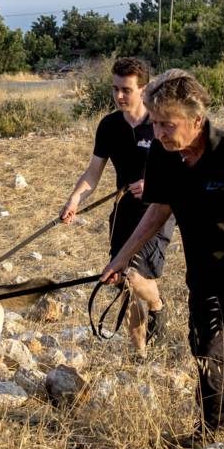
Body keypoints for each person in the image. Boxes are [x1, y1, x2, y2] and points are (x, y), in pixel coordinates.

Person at [99, 69, 224, 436]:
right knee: (202, 345)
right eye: (155, 124)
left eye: (167, 125)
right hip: (203, 262)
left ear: (196, 120)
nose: (158, 133)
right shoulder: (162, 151)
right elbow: (159, 210)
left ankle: (215, 429)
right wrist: (121, 258)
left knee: (215, 345)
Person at [59, 57, 175, 354]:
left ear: (144, 89)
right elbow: (93, 172)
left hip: (157, 211)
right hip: (123, 213)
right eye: (115, 89)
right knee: (123, 285)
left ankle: (158, 305)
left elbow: (182, 168)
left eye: (126, 89)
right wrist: (74, 199)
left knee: (132, 277)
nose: (119, 96)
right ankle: (139, 354)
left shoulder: (160, 123)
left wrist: (154, 184)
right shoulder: (109, 125)